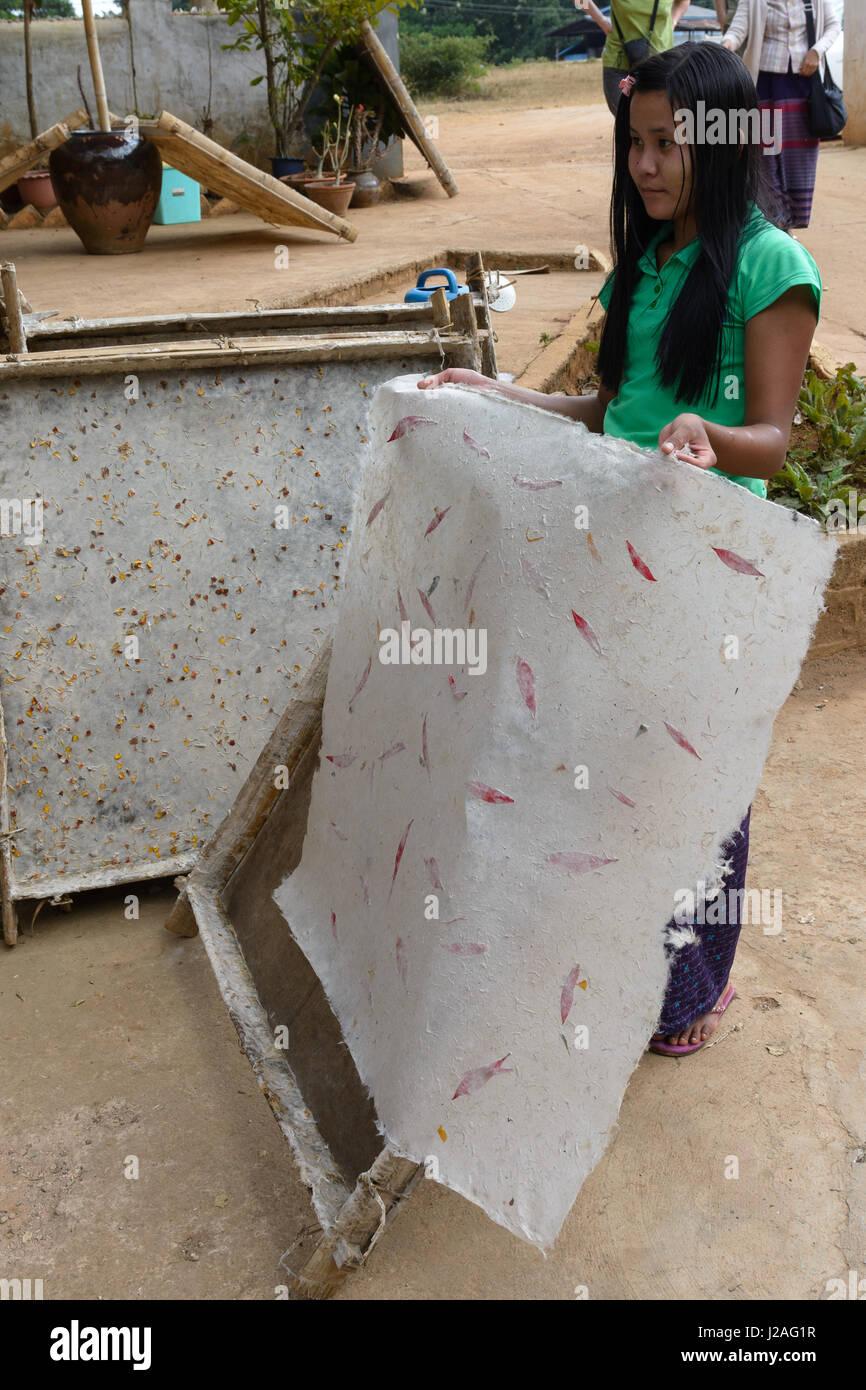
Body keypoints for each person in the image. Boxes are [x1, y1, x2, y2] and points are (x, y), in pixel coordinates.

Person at [416, 43, 822, 1055]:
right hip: (619, 562)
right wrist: (492, 396)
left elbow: (772, 443)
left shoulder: (770, 266)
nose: (642, 167)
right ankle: (620, 948)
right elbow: (605, 412)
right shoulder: (644, 260)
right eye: (632, 145)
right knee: (614, 769)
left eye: (666, 146)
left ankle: (691, 990)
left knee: (696, 783)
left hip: (709, 573)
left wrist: (708, 437)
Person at [722, 0, 842, 229]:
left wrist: (817, 51)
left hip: (803, 86)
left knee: (799, 160)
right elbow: (738, 29)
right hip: (764, 85)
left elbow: (833, 25)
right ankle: (774, 223)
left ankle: (790, 222)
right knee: (765, 156)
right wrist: (726, 44)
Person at [595, 0, 692, 115]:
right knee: (627, 122)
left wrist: (673, 21)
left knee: (659, 122)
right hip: (619, 64)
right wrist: (601, 20)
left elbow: (684, 1)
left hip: (662, 66)